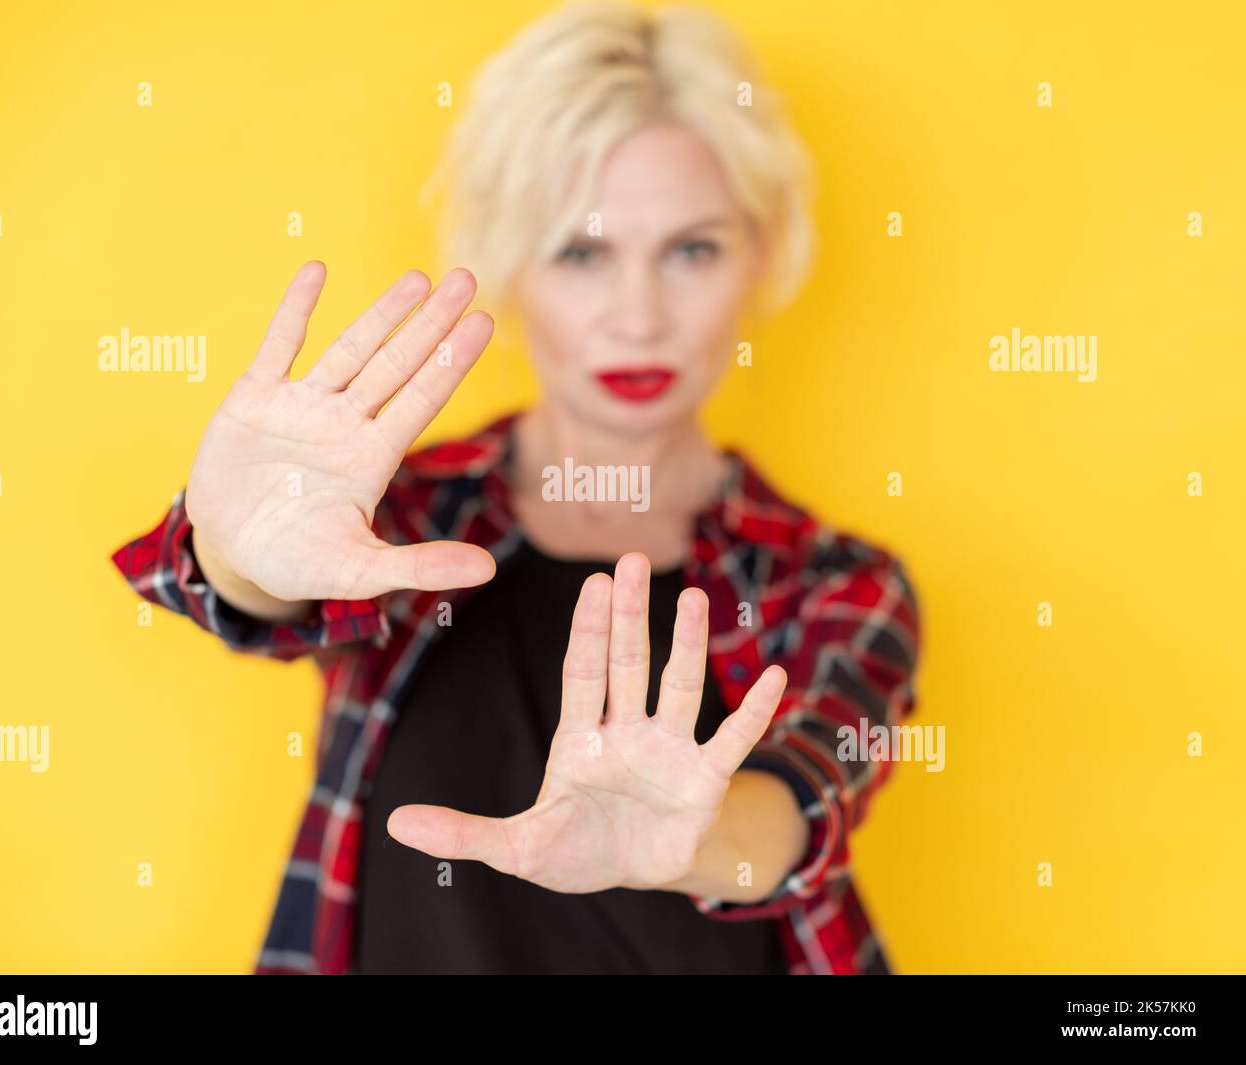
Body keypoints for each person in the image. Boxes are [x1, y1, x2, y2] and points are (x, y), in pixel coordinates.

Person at [111, 0, 920, 975]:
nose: (639, 315)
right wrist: (235, 552)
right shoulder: (407, 513)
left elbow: (797, 812)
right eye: (582, 252)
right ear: (509, 264)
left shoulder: (838, 584)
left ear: (758, 252)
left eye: (691, 249)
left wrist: (684, 846)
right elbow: (261, 593)